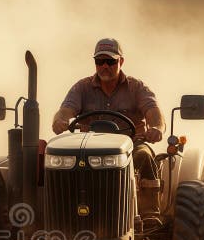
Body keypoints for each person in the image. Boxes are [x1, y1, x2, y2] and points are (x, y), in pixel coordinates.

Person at [51, 38, 166, 217]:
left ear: (121, 61)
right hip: (87, 149)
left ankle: (149, 215)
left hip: (131, 145)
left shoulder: (137, 87)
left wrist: (157, 127)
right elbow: (65, 110)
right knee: (61, 162)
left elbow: (153, 111)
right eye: (100, 61)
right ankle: (62, 213)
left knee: (144, 155)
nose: (105, 66)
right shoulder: (82, 87)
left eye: (110, 61)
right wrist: (60, 120)